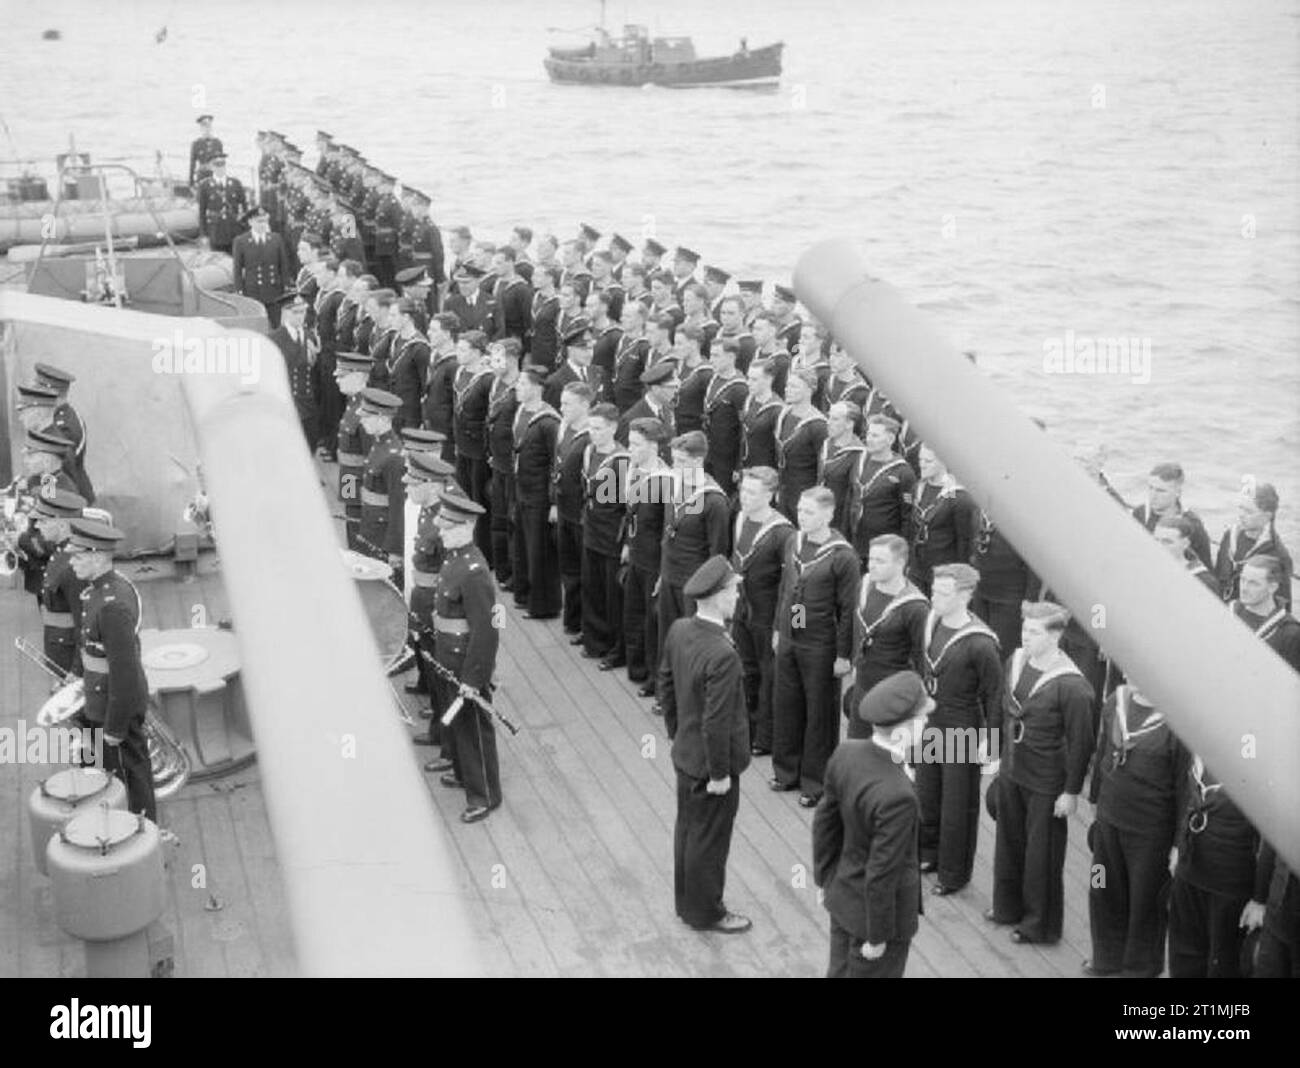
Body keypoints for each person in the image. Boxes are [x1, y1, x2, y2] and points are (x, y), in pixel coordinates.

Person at [814, 671, 931, 977]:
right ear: (905, 729)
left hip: (842, 896)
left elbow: (825, 825)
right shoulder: (899, 795)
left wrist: (824, 881)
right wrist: (877, 936)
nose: (926, 724)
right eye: (922, 719)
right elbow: (882, 872)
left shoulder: (846, 753)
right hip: (877, 920)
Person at [658, 555, 753, 934]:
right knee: (709, 842)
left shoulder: (680, 629)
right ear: (716, 597)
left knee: (687, 831)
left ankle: (686, 904)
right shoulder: (723, 653)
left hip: (685, 754)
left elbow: (666, 685)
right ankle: (707, 912)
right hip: (712, 765)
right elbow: (717, 722)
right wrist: (719, 773)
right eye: (733, 590)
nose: (737, 596)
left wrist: (678, 735)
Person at [989, 601, 1094, 940]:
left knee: (1041, 857)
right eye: (1024, 629)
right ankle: (1007, 907)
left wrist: (1071, 791)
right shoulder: (1015, 662)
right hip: (1013, 769)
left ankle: (1039, 926)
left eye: (1034, 632)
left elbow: (1081, 743)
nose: (1025, 637)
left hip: (1047, 780)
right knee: (1008, 841)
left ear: (1056, 636)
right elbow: (999, 706)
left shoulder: (1073, 686)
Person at [1084, 680, 1188, 976]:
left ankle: (1139, 967)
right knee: (1100, 885)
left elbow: (1184, 788)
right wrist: (1095, 801)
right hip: (1108, 822)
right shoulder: (1114, 702)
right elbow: (1104, 749)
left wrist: (1179, 845)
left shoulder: (1178, 722)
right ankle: (1105, 956)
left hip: (1150, 833)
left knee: (1145, 900)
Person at [915, 563, 1002, 895]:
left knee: (957, 805)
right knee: (927, 793)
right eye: (935, 590)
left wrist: (991, 746)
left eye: (944, 593)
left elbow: (996, 696)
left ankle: (953, 872)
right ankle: (928, 853)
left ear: (965, 595)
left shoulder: (981, 643)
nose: (935, 597)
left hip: (962, 727)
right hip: (931, 721)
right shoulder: (932, 622)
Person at [770, 486, 859, 807]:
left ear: (828, 514)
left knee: (819, 714)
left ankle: (814, 782)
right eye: (800, 510)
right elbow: (785, 589)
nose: (801, 517)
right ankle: (786, 770)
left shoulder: (842, 556)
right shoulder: (794, 542)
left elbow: (849, 609)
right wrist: (780, 630)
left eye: (809, 512)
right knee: (788, 703)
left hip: (821, 642)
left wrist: (844, 654)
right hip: (793, 636)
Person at [68, 519, 155, 821]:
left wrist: (116, 727)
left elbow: (125, 671)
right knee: (109, 769)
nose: (72, 561)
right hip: (98, 696)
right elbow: (90, 646)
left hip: (113, 706)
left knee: (131, 776)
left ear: (98, 556)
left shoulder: (112, 605)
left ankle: (144, 832)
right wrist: (75, 675)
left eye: (78, 556)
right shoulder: (98, 591)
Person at [426, 488, 503, 823]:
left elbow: (486, 632)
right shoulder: (453, 559)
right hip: (447, 655)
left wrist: (474, 679)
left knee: (472, 729)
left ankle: (485, 793)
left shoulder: (474, 571)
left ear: (465, 528)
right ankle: (462, 773)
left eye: (447, 528)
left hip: (465, 662)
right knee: (456, 724)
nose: (441, 533)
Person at [656, 432, 731, 698]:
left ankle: (688, 694)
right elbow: (667, 533)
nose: (675, 467)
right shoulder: (675, 486)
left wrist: (707, 595)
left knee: (690, 642)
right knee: (668, 635)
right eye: (673, 461)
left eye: (681, 461)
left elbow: (717, 554)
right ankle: (668, 689)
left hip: (693, 582)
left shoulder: (714, 500)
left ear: (698, 461)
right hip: (670, 574)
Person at [731, 467, 794, 756]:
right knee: (745, 669)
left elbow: (791, 586)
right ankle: (746, 727)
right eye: (743, 490)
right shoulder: (741, 517)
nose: (744, 497)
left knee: (769, 674)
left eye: (752, 492)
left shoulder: (783, 533)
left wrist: (785, 627)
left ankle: (765, 736)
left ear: (770, 495)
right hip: (742, 609)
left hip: (767, 614)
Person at [847, 535, 928, 740]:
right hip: (863, 687)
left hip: (893, 696)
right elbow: (855, 626)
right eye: (871, 559)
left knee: (887, 759)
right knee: (858, 751)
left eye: (880, 561)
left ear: (901, 563)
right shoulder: (865, 585)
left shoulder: (915, 607)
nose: (871, 566)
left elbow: (923, 661)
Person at [623, 419, 675, 694]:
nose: (631, 449)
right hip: (636, 553)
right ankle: (637, 667)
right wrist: (627, 545)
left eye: (636, 445)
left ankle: (656, 680)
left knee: (653, 622)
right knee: (634, 614)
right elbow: (630, 513)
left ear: (653, 446)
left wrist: (663, 572)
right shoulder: (635, 471)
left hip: (654, 560)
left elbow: (668, 531)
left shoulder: (664, 481)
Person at [579, 403, 631, 667]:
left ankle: (615, 649)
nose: (593, 433)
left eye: (599, 428)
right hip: (592, 529)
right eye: (590, 427)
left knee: (613, 597)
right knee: (592, 588)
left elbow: (629, 506)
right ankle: (594, 639)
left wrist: (627, 542)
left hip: (612, 535)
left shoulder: (622, 461)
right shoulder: (589, 452)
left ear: (613, 428)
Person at [511, 366, 562, 619]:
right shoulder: (521, 411)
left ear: (536, 387)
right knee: (522, 546)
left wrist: (554, 502)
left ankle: (543, 604)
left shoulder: (549, 422)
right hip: (522, 490)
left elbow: (556, 462)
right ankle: (523, 593)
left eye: (522, 384)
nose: (517, 387)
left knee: (539, 550)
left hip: (540, 495)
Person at [32, 490, 88, 675]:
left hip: (69, 657)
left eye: (44, 521)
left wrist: (77, 670)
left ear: (62, 524)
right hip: (59, 650)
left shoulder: (73, 565)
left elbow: (84, 623)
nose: (38, 526)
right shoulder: (61, 553)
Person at [909, 445, 977, 596]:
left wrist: (959, 577)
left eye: (928, 461)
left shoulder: (955, 495)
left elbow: (964, 542)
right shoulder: (918, 488)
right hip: (917, 569)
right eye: (920, 459)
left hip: (943, 573)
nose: (922, 464)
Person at [1215, 480, 1292, 610]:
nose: (1241, 515)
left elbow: (1282, 607)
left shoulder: (1277, 554)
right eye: (1241, 508)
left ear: (1267, 516)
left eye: (1249, 512)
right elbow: (1217, 578)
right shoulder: (1230, 536)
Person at [451, 330, 495, 557]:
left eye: (463, 349)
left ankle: (481, 549)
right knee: (463, 497)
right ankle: (465, 541)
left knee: (479, 502)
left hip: (478, 448)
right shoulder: (460, 372)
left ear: (477, 352)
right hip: (463, 446)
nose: (458, 353)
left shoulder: (487, 378)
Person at [356, 388, 407, 584]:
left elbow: (397, 506)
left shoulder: (393, 456)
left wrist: (394, 548)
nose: (361, 421)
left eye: (367, 417)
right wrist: (349, 499)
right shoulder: (378, 443)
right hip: (367, 518)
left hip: (380, 532)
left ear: (383, 418)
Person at [970, 513, 1037, 652]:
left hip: (1009, 597)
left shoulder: (1025, 515)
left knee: (1002, 651)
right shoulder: (982, 506)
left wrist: (1030, 599)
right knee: (978, 645)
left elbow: (1035, 563)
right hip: (981, 590)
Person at [852, 414, 915, 562]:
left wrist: (902, 552)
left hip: (884, 549)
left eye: (875, 435)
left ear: (890, 440)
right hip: (857, 542)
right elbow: (852, 497)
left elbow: (907, 517)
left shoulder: (903, 472)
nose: (869, 439)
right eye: (868, 434)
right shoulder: (860, 461)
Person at [485, 340, 522, 587]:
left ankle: (514, 573)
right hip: (496, 460)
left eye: (496, 358)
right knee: (498, 518)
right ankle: (502, 570)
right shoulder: (496, 383)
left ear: (510, 359)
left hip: (512, 464)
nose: (492, 363)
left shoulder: (520, 388)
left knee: (512, 521)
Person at [31, 362, 95, 504]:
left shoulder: (63, 427)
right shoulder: (56, 417)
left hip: (68, 501)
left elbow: (57, 472)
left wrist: (46, 503)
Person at [1133, 462, 1213, 568]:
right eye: (1150, 488)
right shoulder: (1140, 514)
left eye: (1161, 491)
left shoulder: (1193, 525)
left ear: (1177, 492)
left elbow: (1206, 567)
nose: (1153, 496)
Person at [774, 370, 828, 519]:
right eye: (787, 386)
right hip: (783, 490)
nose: (787, 390)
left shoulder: (818, 425)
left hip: (804, 493)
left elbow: (822, 466)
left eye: (794, 386)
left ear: (809, 390)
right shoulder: (784, 414)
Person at [334, 351, 374, 549]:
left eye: (343, 375)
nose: (337, 379)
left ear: (358, 376)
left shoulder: (366, 410)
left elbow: (371, 459)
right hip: (349, 478)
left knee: (359, 534)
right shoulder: (353, 403)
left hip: (361, 485)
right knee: (350, 523)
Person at [268, 290, 318, 449]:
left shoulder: (310, 336)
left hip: (308, 401)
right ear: (285, 313)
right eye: (295, 312)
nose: (300, 316)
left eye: (303, 312)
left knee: (310, 445)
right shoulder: (275, 338)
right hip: (287, 401)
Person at [701, 337, 748, 498]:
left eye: (716, 356)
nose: (711, 360)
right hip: (709, 451)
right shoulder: (714, 378)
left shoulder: (740, 388)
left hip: (726, 458)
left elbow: (744, 430)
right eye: (711, 355)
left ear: (730, 357)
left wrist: (738, 465)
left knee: (721, 498)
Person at [232, 205, 292, 327]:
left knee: (276, 324)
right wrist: (239, 291)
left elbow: (283, 266)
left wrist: (286, 286)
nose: (262, 224)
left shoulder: (276, 239)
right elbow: (237, 269)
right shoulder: (241, 241)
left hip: (273, 290)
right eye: (259, 221)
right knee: (255, 325)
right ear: (250, 222)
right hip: (253, 291)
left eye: (264, 221)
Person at [818, 401, 866, 538]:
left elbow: (854, 496)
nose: (828, 422)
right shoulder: (827, 444)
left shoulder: (858, 453)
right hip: (821, 510)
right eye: (829, 417)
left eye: (835, 419)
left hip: (840, 519)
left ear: (849, 424)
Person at [422, 312, 462, 464]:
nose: (428, 333)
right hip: (431, 428)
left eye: (433, 330)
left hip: (446, 435)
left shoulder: (454, 364)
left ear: (446, 334)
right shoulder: (434, 357)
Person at [1153, 515, 1220, 595]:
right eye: (1156, 540)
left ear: (1185, 543)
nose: (1159, 546)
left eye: (1167, 542)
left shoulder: (1203, 582)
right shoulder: (1146, 569)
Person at [196, 154, 247, 253]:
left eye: (222, 164)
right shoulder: (205, 186)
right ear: (211, 167)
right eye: (216, 164)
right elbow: (202, 211)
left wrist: (244, 228)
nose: (220, 168)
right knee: (217, 258)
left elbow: (244, 207)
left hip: (233, 229)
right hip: (215, 230)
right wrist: (204, 234)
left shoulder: (235, 183)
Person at [740, 359, 783, 470]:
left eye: (754, 380)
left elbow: (779, 449)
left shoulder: (777, 409)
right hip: (745, 466)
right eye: (748, 378)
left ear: (768, 380)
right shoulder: (749, 400)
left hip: (765, 471)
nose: (749, 383)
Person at [189, 114, 224, 186]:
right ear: (201, 128)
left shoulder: (218, 143)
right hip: (202, 177)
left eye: (209, 125)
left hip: (215, 177)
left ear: (211, 127)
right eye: (204, 125)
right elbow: (192, 165)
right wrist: (191, 183)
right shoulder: (196, 144)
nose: (207, 128)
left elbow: (221, 165)